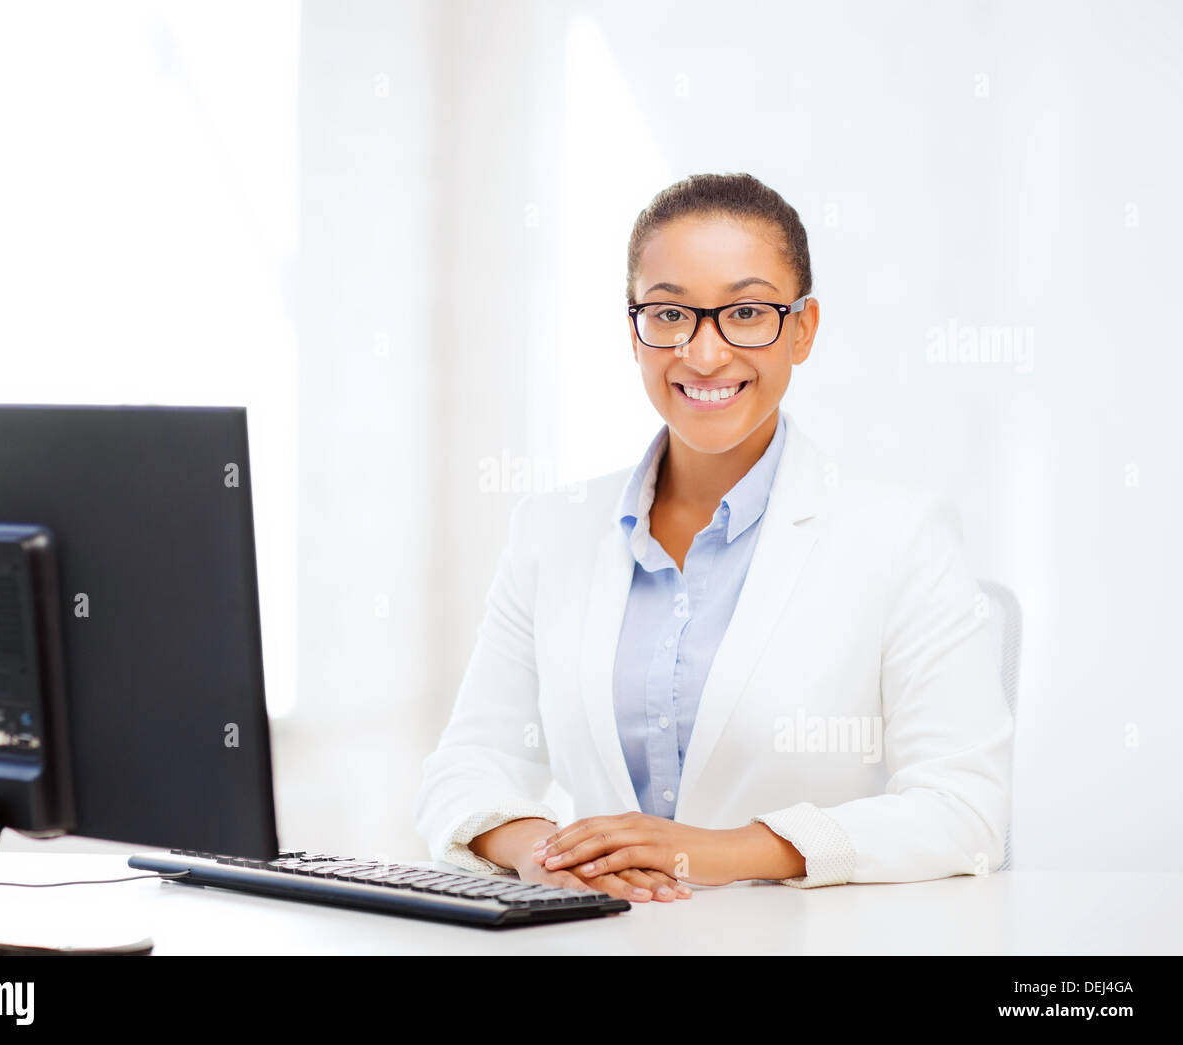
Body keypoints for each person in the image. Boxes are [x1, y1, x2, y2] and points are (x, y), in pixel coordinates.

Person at [414, 172, 1013, 902]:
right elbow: (469, 763)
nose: (703, 353)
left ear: (802, 329)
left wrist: (716, 852)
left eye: (748, 312)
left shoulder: (904, 534)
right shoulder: (551, 529)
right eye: (669, 314)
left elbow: (965, 811)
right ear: (633, 329)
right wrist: (550, 854)